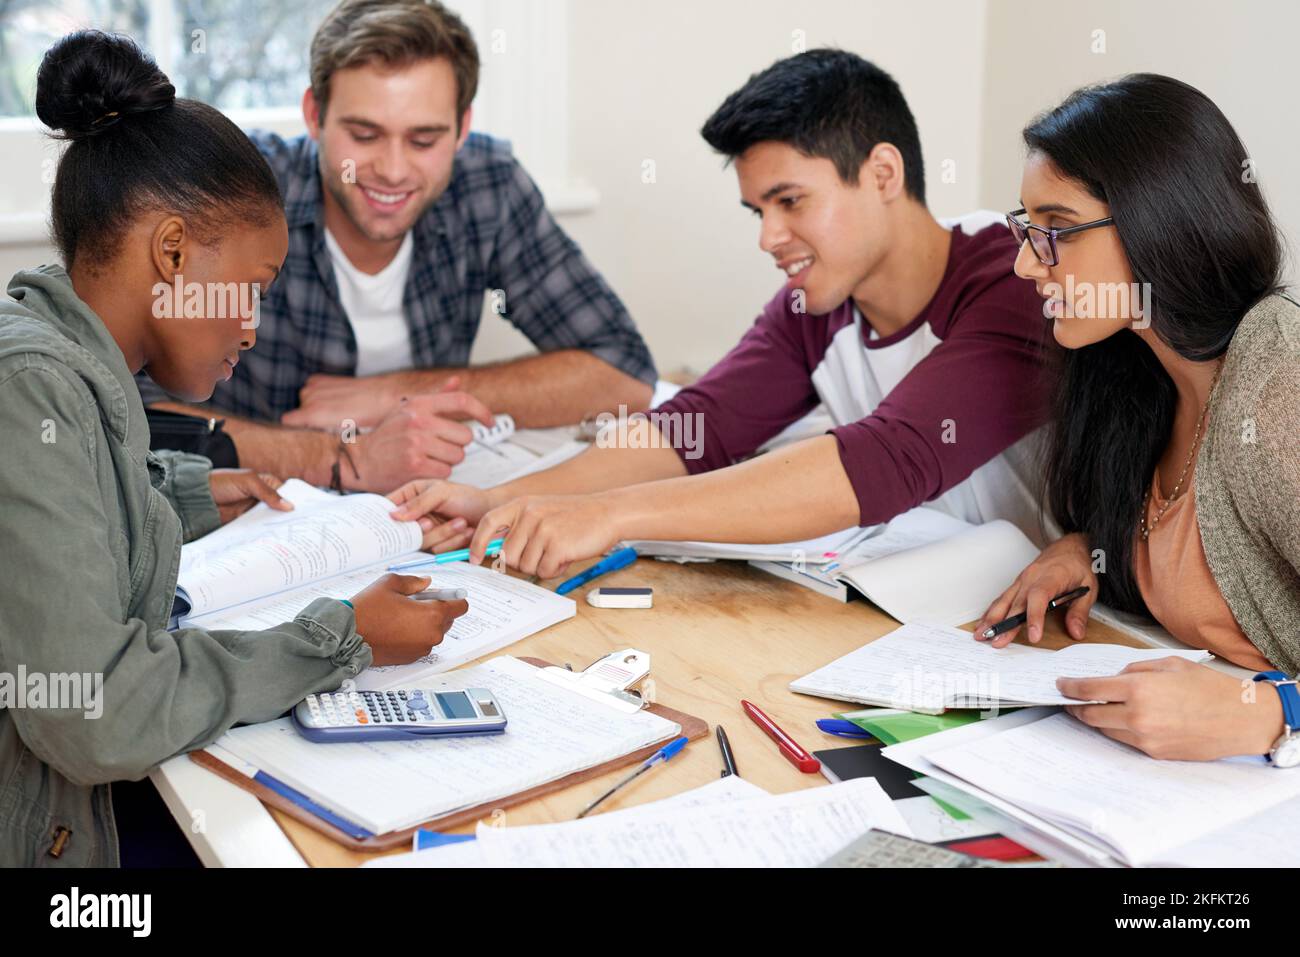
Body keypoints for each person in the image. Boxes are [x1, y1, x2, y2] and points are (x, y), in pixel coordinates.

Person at [0, 31, 465, 867]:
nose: (250, 328)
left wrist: (179, 493)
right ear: (172, 251)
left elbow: (58, 502)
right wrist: (338, 638)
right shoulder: (34, 385)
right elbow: (95, 714)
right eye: (250, 288)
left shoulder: (64, 364)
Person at [385, 49, 1053, 579]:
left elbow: (888, 457)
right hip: (930, 599)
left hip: (1075, 626)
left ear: (882, 174)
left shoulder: (1017, 277)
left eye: (790, 201)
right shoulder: (815, 303)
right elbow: (695, 426)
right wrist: (506, 500)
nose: (767, 237)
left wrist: (609, 516)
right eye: (758, 211)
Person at [136, 0, 657, 493]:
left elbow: (623, 373)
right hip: (263, 520)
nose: (392, 170)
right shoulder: (239, 192)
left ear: (462, 128)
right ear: (314, 114)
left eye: (424, 140)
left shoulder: (487, 185)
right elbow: (132, 411)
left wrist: (396, 393)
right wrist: (336, 458)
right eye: (364, 135)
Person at [970, 74, 1300, 763]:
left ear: (1163, 218)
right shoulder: (1137, 372)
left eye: (1057, 229)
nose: (1027, 263)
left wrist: (1272, 712)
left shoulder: (1277, 382)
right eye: (1028, 229)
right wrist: (1095, 553)